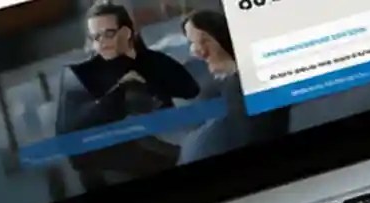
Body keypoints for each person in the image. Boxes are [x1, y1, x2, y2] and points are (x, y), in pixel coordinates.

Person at [62, 1, 200, 132]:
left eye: (109, 34)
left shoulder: (154, 61)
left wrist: (148, 81)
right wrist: (121, 90)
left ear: (126, 32)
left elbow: (191, 90)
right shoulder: (83, 74)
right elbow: (73, 127)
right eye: (96, 37)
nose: (102, 42)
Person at [178, 10, 289, 164]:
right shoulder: (203, 80)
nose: (198, 50)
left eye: (205, 40)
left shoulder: (249, 77)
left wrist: (235, 72)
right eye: (192, 43)